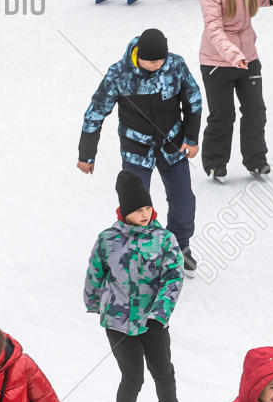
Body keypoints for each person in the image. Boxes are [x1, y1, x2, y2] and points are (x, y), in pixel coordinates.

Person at [83, 171, 191, 402]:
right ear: (123, 212)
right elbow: (95, 273)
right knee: (133, 377)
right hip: (118, 323)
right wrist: (94, 302)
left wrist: (160, 313)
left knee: (163, 371)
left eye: (147, 208)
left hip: (153, 321)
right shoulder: (108, 240)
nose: (144, 214)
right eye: (137, 210)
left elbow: (173, 278)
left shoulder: (164, 239)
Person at [78, 27, 204, 270]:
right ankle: (139, 253)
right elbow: (96, 112)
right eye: (152, 61)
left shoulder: (175, 66)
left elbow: (193, 99)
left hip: (172, 145)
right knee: (136, 206)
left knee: (184, 200)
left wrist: (192, 136)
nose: (158, 65)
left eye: (161, 60)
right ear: (139, 56)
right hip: (136, 150)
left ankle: (179, 246)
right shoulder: (119, 74)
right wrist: (86, 153)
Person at [199, 0, 273, 182]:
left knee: (256, 111)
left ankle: (256, 160)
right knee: (223, 115)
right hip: (216, 62)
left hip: (247, 58)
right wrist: (233, 55)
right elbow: (214, 29)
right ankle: (214, 163)